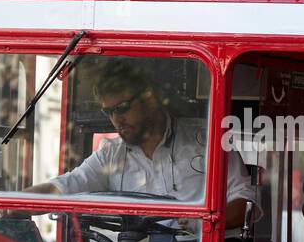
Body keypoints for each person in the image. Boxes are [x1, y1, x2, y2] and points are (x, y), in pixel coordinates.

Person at [29, 59, 258, 231]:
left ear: (149, 98)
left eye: (122, 108)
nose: (116, 119)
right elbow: (64, 187)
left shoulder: (205, 140)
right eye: (108, 112)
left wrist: (202, 224)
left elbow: (246, 203)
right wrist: (8, 203)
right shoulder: (110, 155)